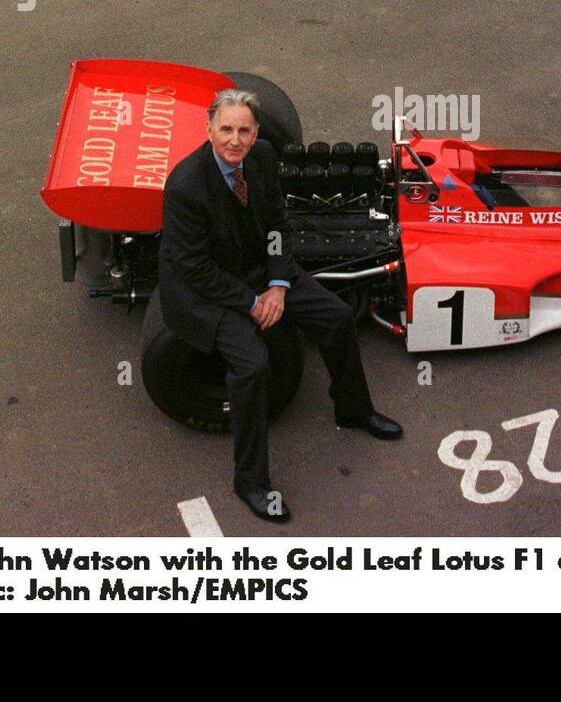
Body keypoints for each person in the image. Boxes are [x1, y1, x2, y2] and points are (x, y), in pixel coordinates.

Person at [157, 88, 401, 523]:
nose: (236, 140)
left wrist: (277, 283)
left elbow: (276, 223)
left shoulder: (264, 157)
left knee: (338, 317)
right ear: (209, 129)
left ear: (256, 133)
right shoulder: (185, 186)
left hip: (258, 271)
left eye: (244, 130)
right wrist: (252, 303)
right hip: (206, 291)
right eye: (226, 129)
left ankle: (354, 409)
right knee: (252, 367)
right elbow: (194, 269)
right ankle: (249, 480)